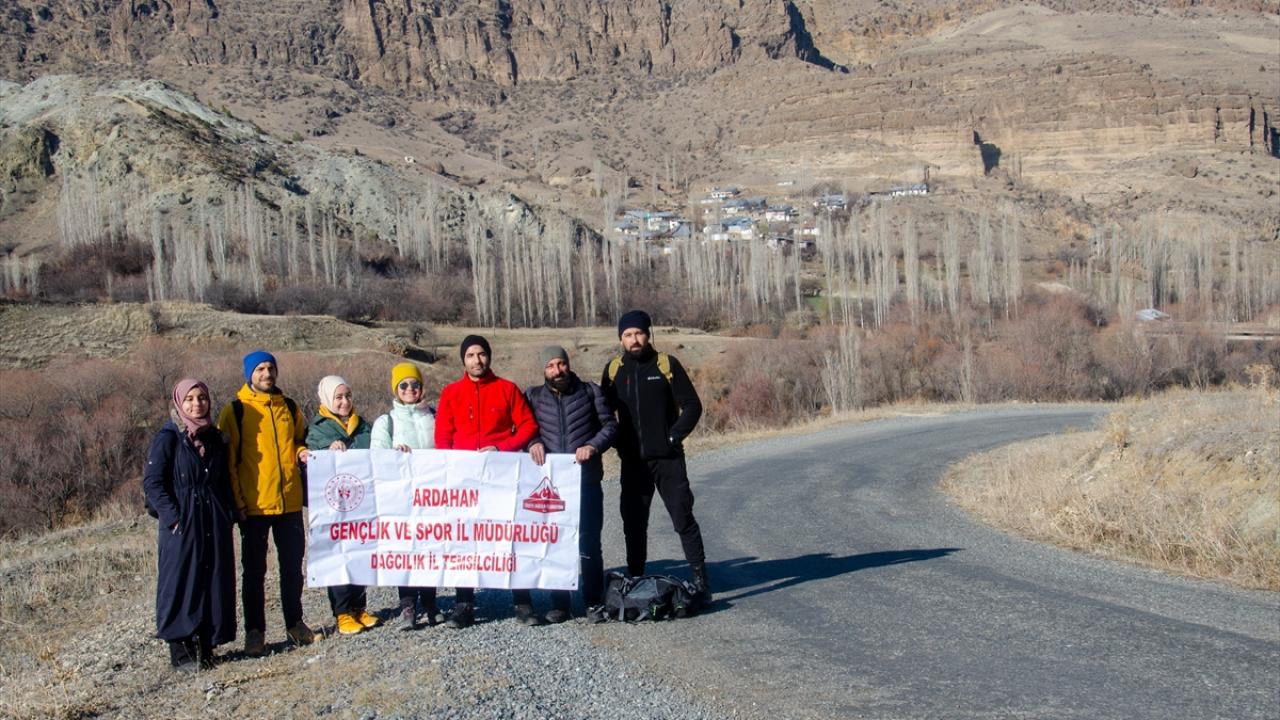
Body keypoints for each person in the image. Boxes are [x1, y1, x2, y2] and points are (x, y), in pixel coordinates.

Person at [600, 310, 712, 602]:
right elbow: (601, 414)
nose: (634, 340)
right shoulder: (613, 370)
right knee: (633, 523)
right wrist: (616, 444)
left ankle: (701, 580)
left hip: (668, 460)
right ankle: (636, 579)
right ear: (621, 339)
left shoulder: (666, 364)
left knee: (682, 518)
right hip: (633, 461)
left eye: (639, 333)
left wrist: (673, 437)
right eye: (628, 335)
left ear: (648, 334)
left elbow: (692, 406)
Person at [435, 334, 540, 628]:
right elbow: (442, 437)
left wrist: (503, 448)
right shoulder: (451, 393)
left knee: (509, 534)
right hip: (465, 479)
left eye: (481, 354)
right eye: (470, 355)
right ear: (463, 360)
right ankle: (464, 604)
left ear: (489, 357)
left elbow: (528, 425)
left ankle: (522, 602)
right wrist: (453, 466)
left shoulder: (506, 389)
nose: (476, 360)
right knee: (465, 539)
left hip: (502, 475)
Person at [218, 350, 316, 657]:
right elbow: (229, 462)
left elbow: (301, 439)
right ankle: (255, 632)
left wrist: (301, 451)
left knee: (292, 569)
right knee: (254, 573)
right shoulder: (235, 411)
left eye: (271, 368)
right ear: (249, 374)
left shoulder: (289, 406)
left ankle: (295, 623)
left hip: (289, 502)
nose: (267, 374)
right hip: (255, 505)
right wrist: (238, 501)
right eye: (260, 369)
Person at [144, 378, 237, 671]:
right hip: (182, 523)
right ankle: (182, 651)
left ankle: (206, 646)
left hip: (213, 519)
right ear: (179, 403)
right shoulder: (168, 438)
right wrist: (172, 517)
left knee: (212, 578)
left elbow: (223, 481)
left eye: (202, 398)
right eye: (190, 400)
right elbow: (153, 483)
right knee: (182, 581)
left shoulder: (216, 438)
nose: (197, 404)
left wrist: (229, 513)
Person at [525, 346, 617, 623]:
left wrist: (593, 445)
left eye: (561, 363)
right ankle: (560, 604)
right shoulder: (533, 397)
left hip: (586, 481)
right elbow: (524, 429)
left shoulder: (590, 391)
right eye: (551, 365)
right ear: (544, 370)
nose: (557, 370)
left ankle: (593, 602)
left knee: (589, 544)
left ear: (568, 364)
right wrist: (533, 442)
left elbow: (610, 426)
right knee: (555, 544)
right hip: (550, 486)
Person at [305, 375, 381, 636]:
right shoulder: (318, 429)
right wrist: (328, 449)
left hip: (362, 504)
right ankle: (342, 612)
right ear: (326, 399)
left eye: (348, 396)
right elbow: (311, 458)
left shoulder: (364, 428)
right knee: (338, 556)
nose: (345, 402)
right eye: (338, 397)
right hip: (334, 508)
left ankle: (360, 607)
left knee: (360, 553)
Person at [370, 362, 442, 628]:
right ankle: (408, 606)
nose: (410, 389)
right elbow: (376, 456)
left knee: (430, 548)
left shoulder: (435, 415)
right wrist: (393, 455)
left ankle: (431, 603)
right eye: (404, 385)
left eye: (415, 384)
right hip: (402, 498)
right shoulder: (385, 421)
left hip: (434, 496)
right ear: (395, 389)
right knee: (406, 550)